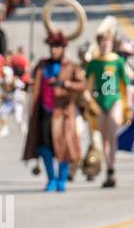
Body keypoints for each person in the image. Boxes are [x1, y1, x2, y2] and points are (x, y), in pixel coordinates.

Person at [22, 30, 87, 192]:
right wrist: (28, 83)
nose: (54, 50)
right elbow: (32, 82)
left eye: (57, 47)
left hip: (63, 113)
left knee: (65, 147)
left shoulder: (71, 66)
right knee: (45, 147)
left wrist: (64, 84)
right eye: (51, 46)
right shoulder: (41, 65)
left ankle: (62, 179)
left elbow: (82, 85)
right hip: (44, 112)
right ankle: (51, 178)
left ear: (63, 48)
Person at [83, 17, 132, 188]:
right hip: (100, 101)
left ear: (112, 43)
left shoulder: (118, 61)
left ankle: (112, 166)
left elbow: (126, 85)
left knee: (113, 134)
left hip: (115, 100)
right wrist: (90, 104)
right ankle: (109, 168)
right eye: (102, 42)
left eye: (107, 42)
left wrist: (129, 107)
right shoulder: (94, 63)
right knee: (103, 139)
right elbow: (87, 86)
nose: (105, 45)